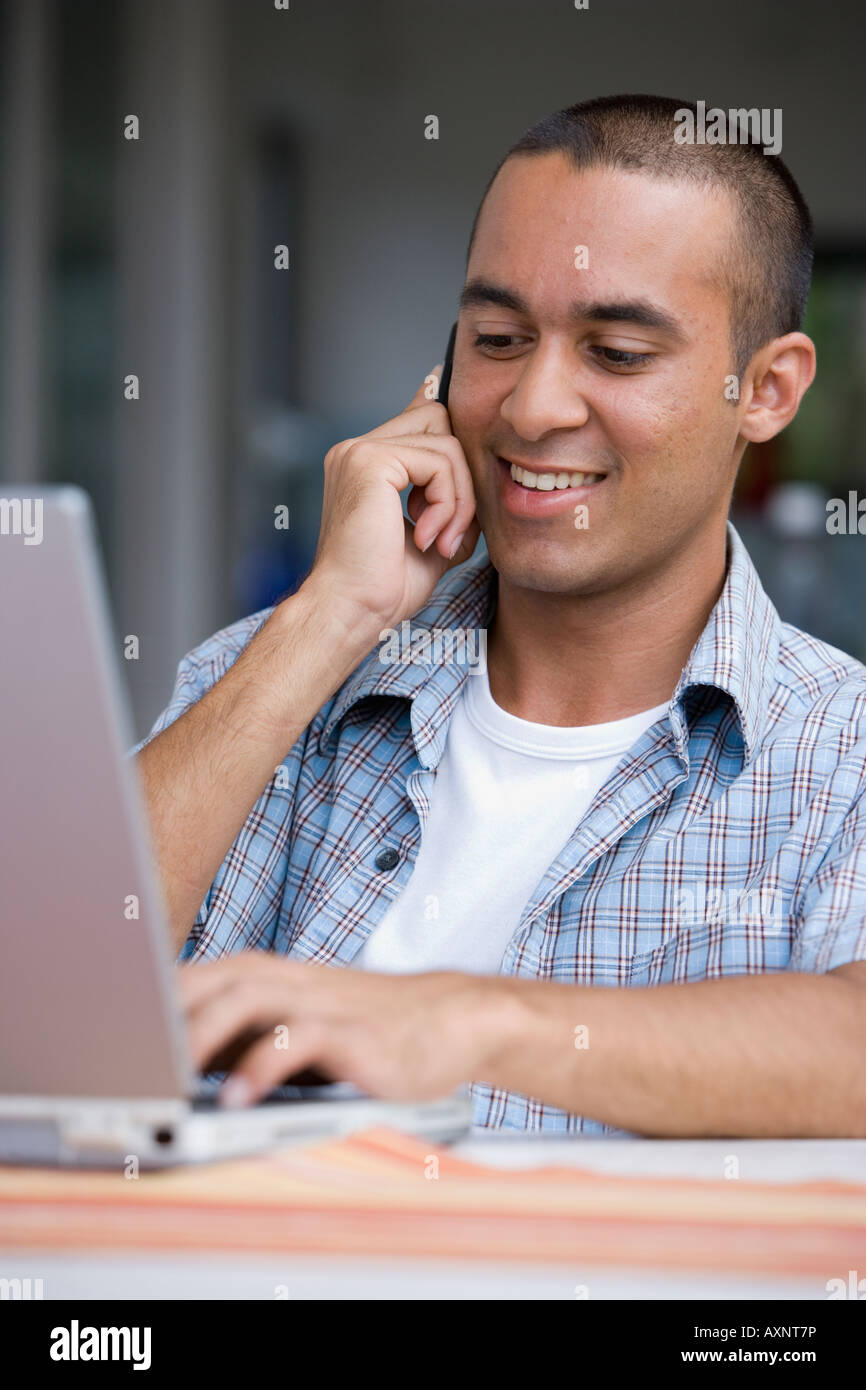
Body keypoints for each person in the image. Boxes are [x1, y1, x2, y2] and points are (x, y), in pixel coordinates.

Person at [131, 94, 866, 1136]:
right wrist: (330, 614)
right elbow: (37, 987)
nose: (529, 408)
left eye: (615, 353)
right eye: (497, 337)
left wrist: (466, 1017)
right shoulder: (271, 674)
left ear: (766, 390)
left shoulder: (841, 752)